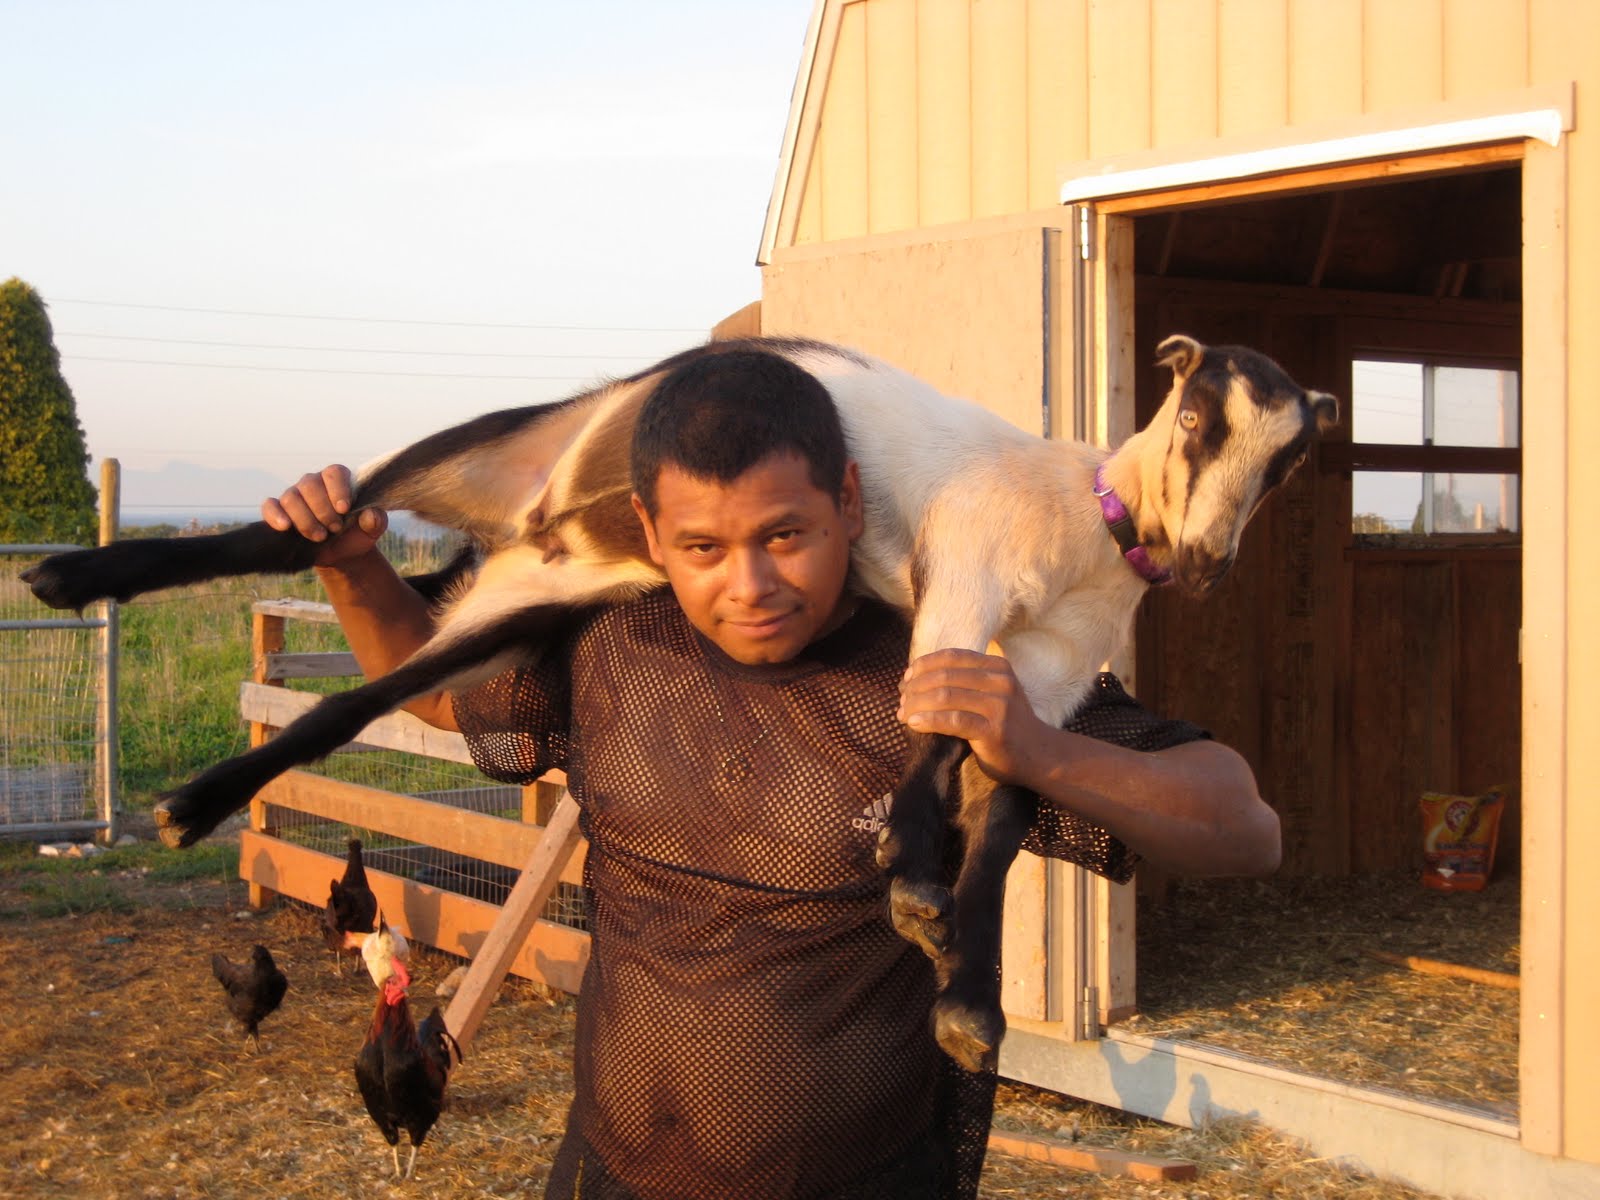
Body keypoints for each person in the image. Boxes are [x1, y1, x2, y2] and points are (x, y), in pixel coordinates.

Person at [264, 348, 1280, 1200]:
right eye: (704, 546)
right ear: (654, 534)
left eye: (784, 536)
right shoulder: (614, 639)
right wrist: (354, 569)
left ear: (847, 502)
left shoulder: (949, 672)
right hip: (606, 1172)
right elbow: (443, 697)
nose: (748, 585)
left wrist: (1043, 749)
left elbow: (1242, 826)